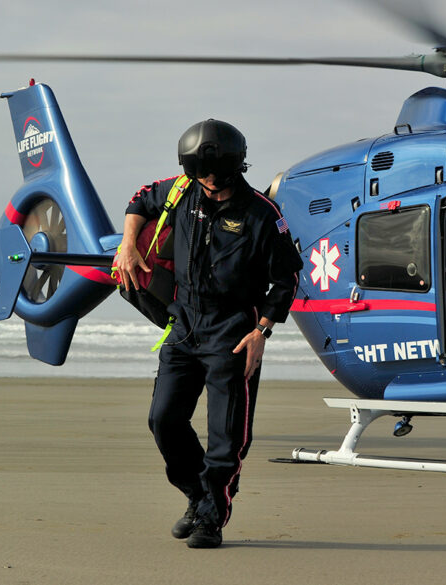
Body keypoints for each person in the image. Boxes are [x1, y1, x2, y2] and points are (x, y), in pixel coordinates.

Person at [113, 119, 303, 549]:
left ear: (237, 167)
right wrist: (128, 243)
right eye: (202, 176)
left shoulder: (262, 216)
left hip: (233, 332)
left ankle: (211, 518)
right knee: (163, 420)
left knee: (226, 436)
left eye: (218, 177)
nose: (210, 184)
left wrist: (261, 331)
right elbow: (140, 200)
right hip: (182, 326)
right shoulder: (181, 190)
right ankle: (198, 495)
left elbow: (288, 279)